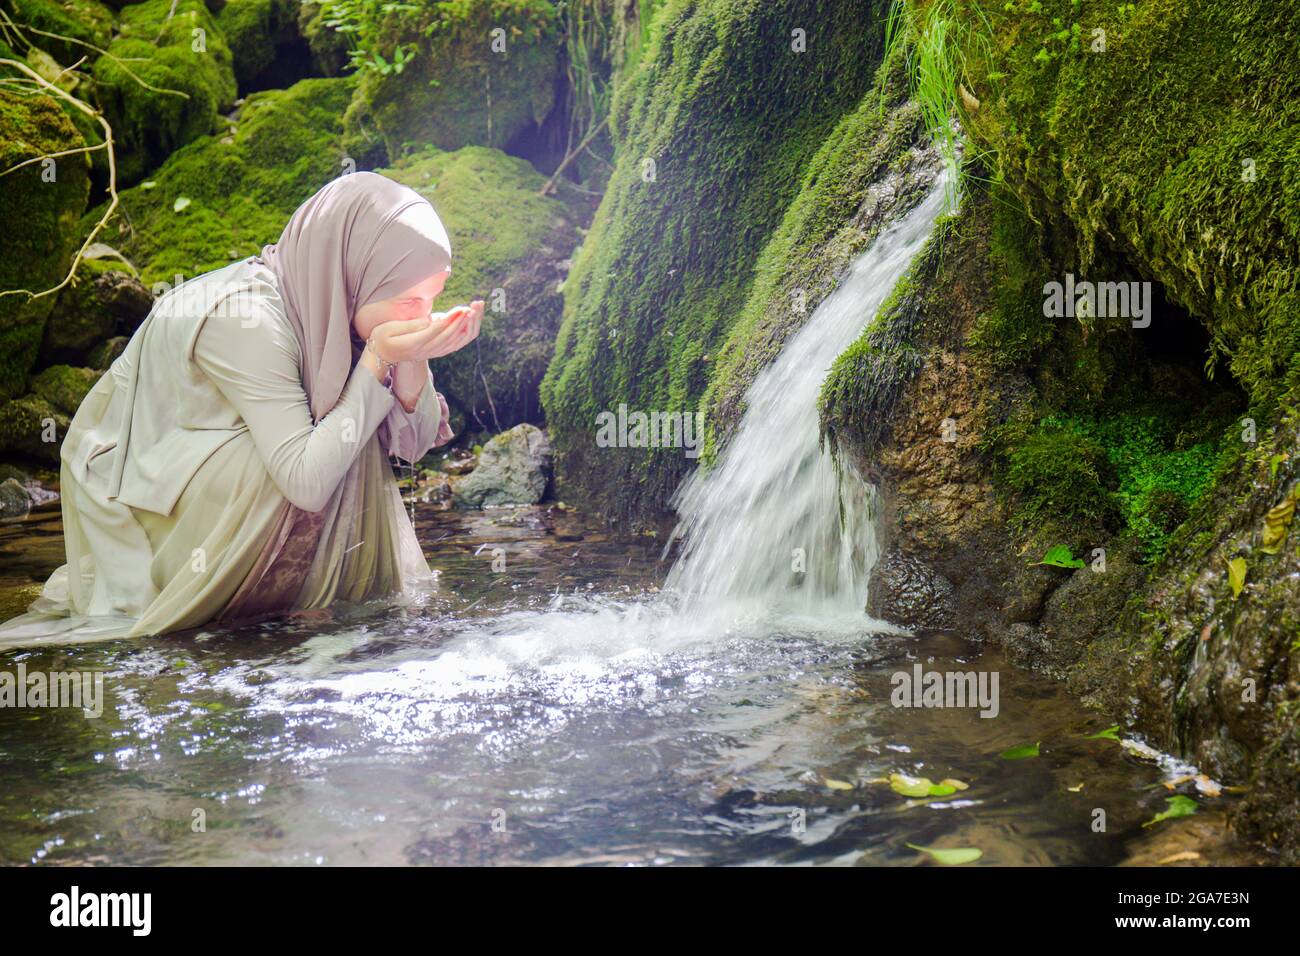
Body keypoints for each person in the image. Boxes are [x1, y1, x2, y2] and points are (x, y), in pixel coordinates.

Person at [0, 171, 484, 648]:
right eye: (409, 300)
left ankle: (321, 607)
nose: (422, 314)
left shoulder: (348, 311)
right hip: (133, 488)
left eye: (432, 299)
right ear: (356, 279)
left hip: (206, 465)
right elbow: (305, 482)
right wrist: (377, 362)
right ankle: (256, 603)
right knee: (327, 441)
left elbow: (414, 448)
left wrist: (417, 353)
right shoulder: (246, 318)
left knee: (351, 425)